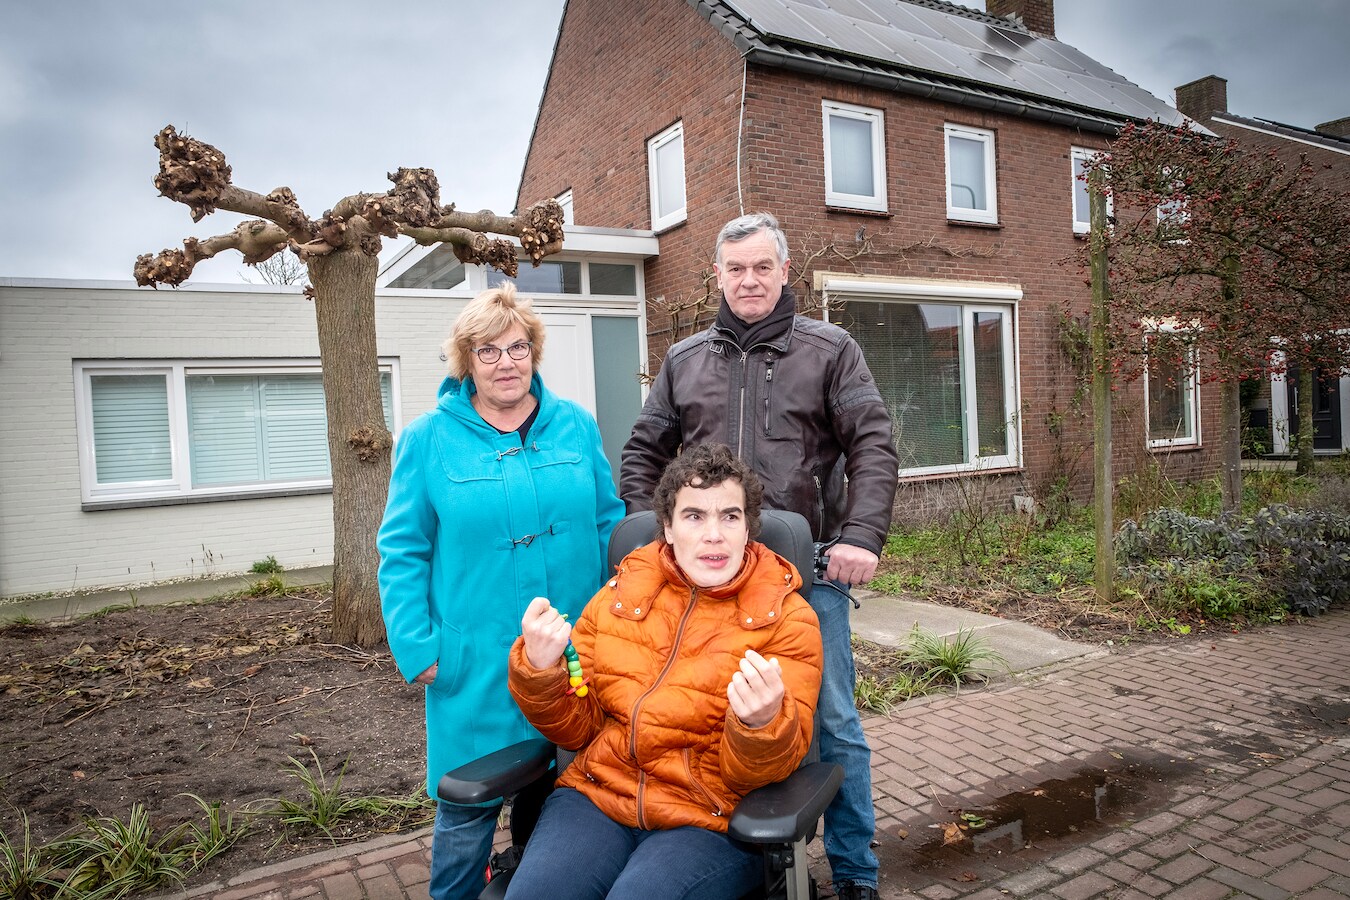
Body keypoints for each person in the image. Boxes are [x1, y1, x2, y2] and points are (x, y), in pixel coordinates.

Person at [619, 213, 899, 900]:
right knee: (726, 719)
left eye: (761, 267)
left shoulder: (831, 350)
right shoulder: (685, 360)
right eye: (735, 268)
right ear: (717, 274)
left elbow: (873, 443)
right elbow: (642, 453)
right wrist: (655, 536)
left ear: (783, 271)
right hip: (712, 584)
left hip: (810, 579)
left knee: (830, 724)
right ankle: (758, 864)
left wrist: (862, 535)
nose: (749, 280)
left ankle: (857, 873)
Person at [377, 282, 625, 900]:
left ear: (534, 352)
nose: (505, 363)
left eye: (517, 348)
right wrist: (420, 649)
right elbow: (402, 550)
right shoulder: (427, 439)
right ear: (467, 360)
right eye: (488, 352)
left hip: (572, 656)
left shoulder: (575, 426)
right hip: (474, 662)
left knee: (556, 802)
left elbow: (606, 522)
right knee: (466, 813)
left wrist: (614, 623)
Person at [503, 443, 823, 900]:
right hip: (598, 795)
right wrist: (542, 669)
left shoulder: (787, 619)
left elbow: (760, 775)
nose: (714, 535)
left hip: (706, 815)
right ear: (668, 528)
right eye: (694, 517)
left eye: (730, 517)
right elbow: (577, 731)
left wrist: (761, 724)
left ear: (749, 529)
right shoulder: (622, 593)